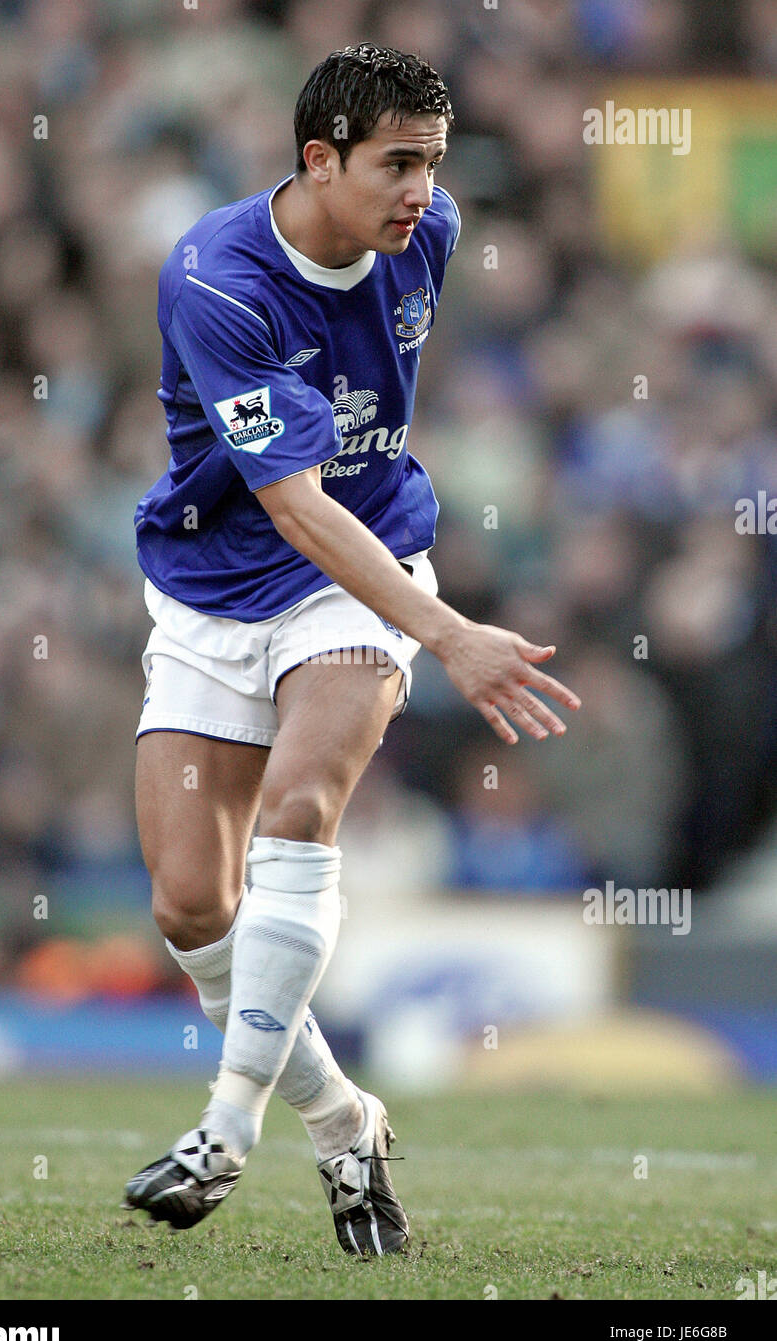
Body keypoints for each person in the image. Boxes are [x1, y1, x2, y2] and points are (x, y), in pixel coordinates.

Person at [123, 42, 581, 1257]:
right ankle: (343, 1121)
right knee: (189, 904)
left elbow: (339, 506)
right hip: (220, 583)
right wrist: (454, 637)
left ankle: (225, 1126)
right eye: (395, 164)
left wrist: (419, 618)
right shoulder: (218, 281)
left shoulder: (430, 233)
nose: (421, 191)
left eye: (432, 163)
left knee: (300, 806)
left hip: (358, 576)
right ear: (317, 160)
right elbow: (291, 504)